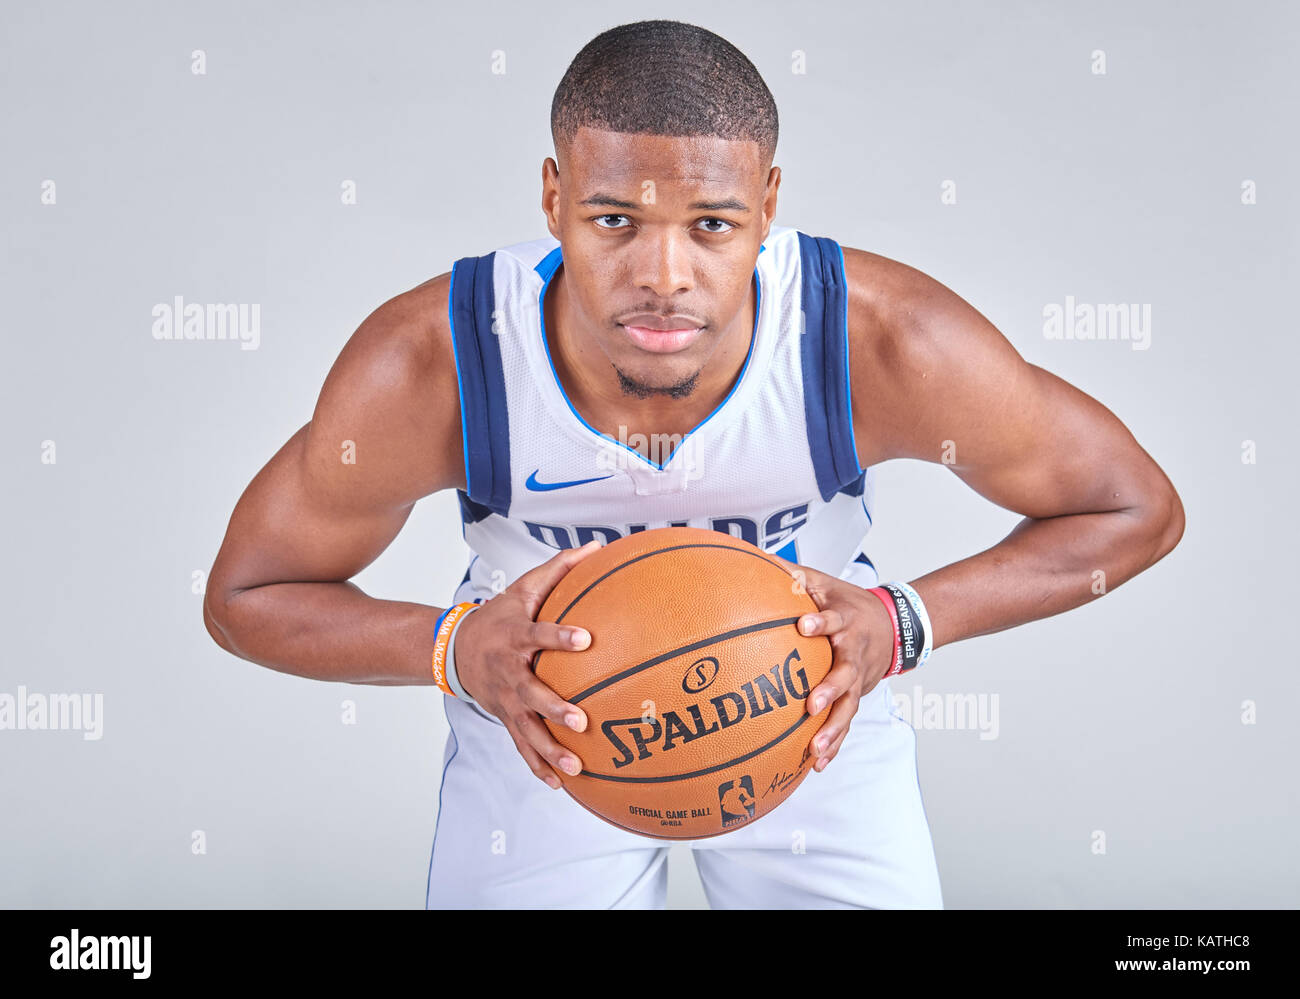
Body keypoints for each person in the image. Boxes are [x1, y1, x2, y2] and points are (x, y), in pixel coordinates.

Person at [202, 19, 1184, 909]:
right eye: (613, 219)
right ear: (553, 198)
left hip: (811, 709)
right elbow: (249, 595)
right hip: (536, 717)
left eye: (710, 225)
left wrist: (899, 623)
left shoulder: (878, 343)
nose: (662, 276)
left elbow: (1131, 508)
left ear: (765, 206)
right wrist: (457, 652)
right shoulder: (437, 363)